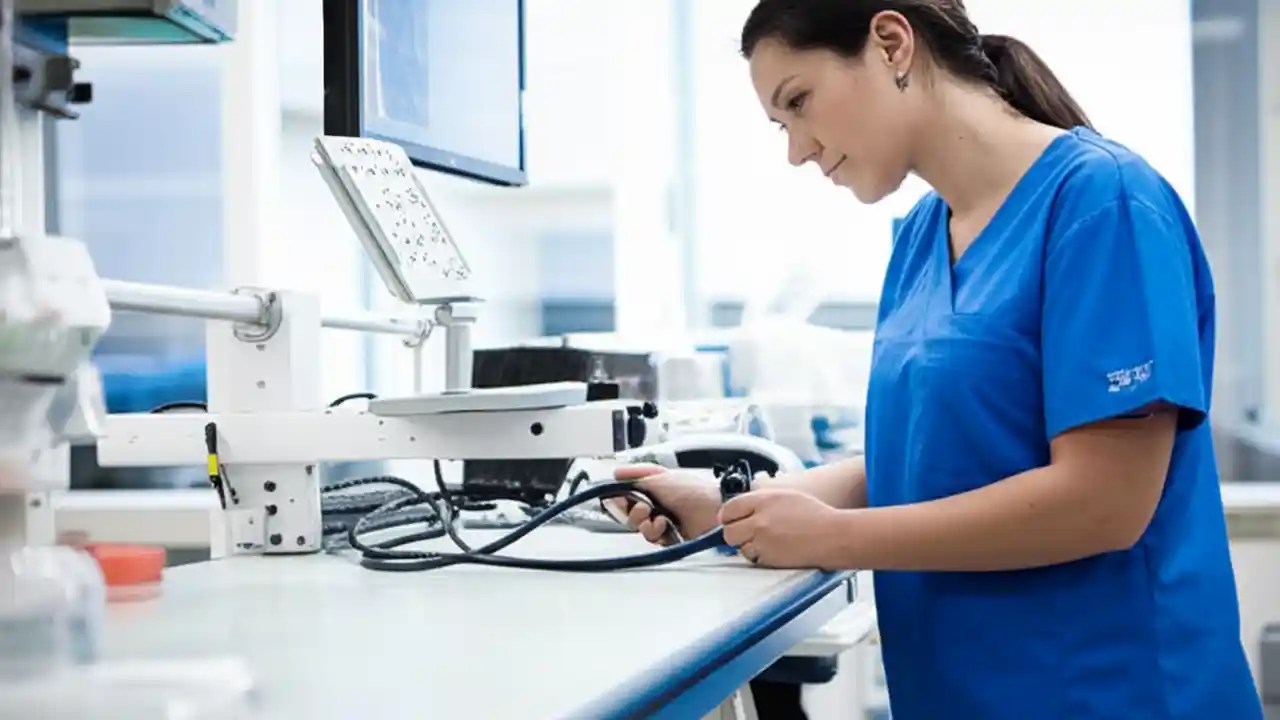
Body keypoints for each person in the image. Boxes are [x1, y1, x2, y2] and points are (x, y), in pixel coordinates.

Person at [612, 1, 1266, 718]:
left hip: (1111, 693)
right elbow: (930, 458)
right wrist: (731, 511)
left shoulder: (1102, 204)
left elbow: (1104, 503)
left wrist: (833, 538)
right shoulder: (923, 236)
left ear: (891, 43)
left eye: (798, 103)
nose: (797, 149)